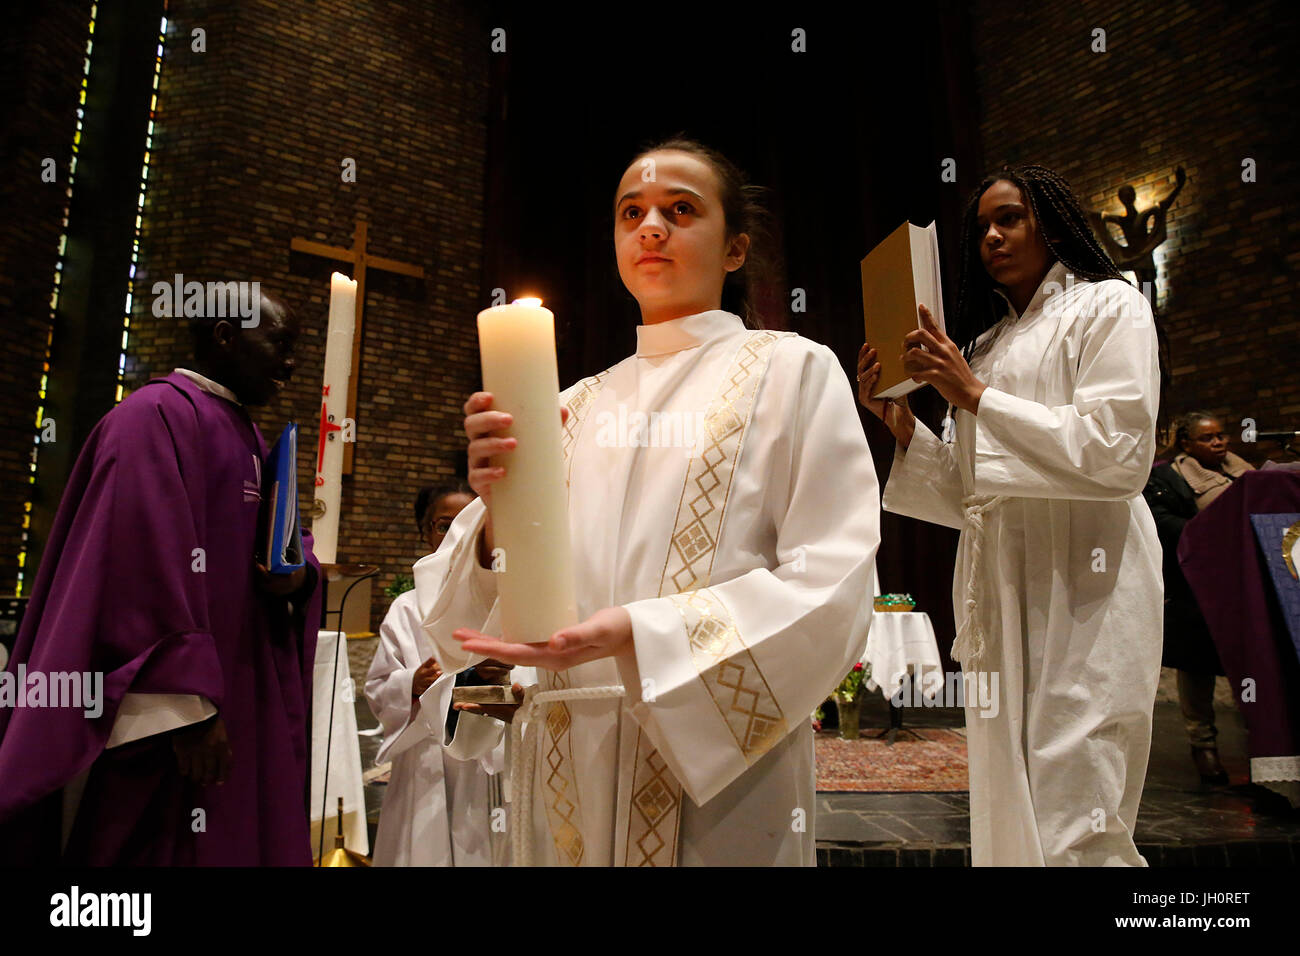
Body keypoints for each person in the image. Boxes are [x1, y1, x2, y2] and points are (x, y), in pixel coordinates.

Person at [416, 136, 880, 866]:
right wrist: (494, 508)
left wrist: (639, 635)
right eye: (631, 211)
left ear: (735, 250)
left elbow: (835, 578)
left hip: (715, 772)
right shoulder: (569, 404)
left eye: (680, 209)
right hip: (567, 753)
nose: (650, 227)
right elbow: (464, 618)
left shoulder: (791, 370)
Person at [860, 164, 1163, 866]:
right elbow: (975, 495)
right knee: (1007, 793)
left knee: (1077, 791)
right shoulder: (985, 346)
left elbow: (1119, 452)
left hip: (1087, 573)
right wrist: (904, 427)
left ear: (1053, 224)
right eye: (982, 227)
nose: (992, 236)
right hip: (1002, 580)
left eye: (1011, 218)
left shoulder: (1108, 306)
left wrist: (975, 399)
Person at [0, 290, 321, 865]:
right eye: (280, 344)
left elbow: (286, 546)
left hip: (240, 692)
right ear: (224, 335)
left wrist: (295, 580)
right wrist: (186, 703)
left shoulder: (243, 431)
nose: (290, 363)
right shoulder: (155, 417)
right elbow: (138, 565)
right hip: (181, 719)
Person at [365, 483, 525, 866]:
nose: (455, 535)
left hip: (486, 758)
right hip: (424, 758)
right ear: (425, 532)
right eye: (442, 525)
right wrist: (412, 685)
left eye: (468, 525)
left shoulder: (511, 600)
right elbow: (377, 688)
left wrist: (495, 686)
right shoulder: (408, 607)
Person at [1143, 411, 1253, 784]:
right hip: (1196, 589)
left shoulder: (1249, 475)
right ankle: (1203, 745)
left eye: (1222, 435)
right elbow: (1162, 526)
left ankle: (1263, 741)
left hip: (1247, 588)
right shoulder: (1166, 478)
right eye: (1208, 438)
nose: (1219, 442)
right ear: (1186, 443)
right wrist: (1213, 533)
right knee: (1198, 668)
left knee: (1253, 667)